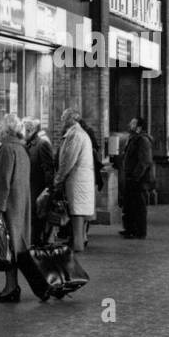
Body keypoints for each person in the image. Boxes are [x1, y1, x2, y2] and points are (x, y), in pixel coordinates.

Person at [0, 114, 32, 302]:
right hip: (20, 205)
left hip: (8, 207)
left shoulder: (6, 150)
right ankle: (11, 286)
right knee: (13, 247)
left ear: (5, 130)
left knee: (6, 247)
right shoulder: (21, 149)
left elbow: (2, 181)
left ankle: (10, 287)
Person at [53, 108, 95, 253]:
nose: (61, 121)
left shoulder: (75, 135)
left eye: (63, 118)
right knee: (77, 213)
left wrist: (58, 179)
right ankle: (78, 242)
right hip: (78, 181)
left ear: (71, 119)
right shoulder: (77, 133)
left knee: (77, 213)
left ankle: (77, 246)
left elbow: (68, 160)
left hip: (77, 181)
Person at [119, 117, 154, 239]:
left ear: (139, 127)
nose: (130, 124)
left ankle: (140, 231)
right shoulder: (133, 138)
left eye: (133, 123)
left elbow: (144, 161)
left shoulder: (143, 140)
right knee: (129, 205)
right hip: (131, 178)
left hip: (139, 180)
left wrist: (135, 177)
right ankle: (129, 229)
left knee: (139, 206)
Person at [22, 117, 55, 242]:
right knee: (31, 219)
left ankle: (38, 245)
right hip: (29, 188)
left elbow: (49, 169)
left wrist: (47, 190)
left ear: (30, 130)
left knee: (38, 220)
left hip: (38, 189)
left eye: (23, 130)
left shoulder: (42, 144)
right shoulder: (26, 144)